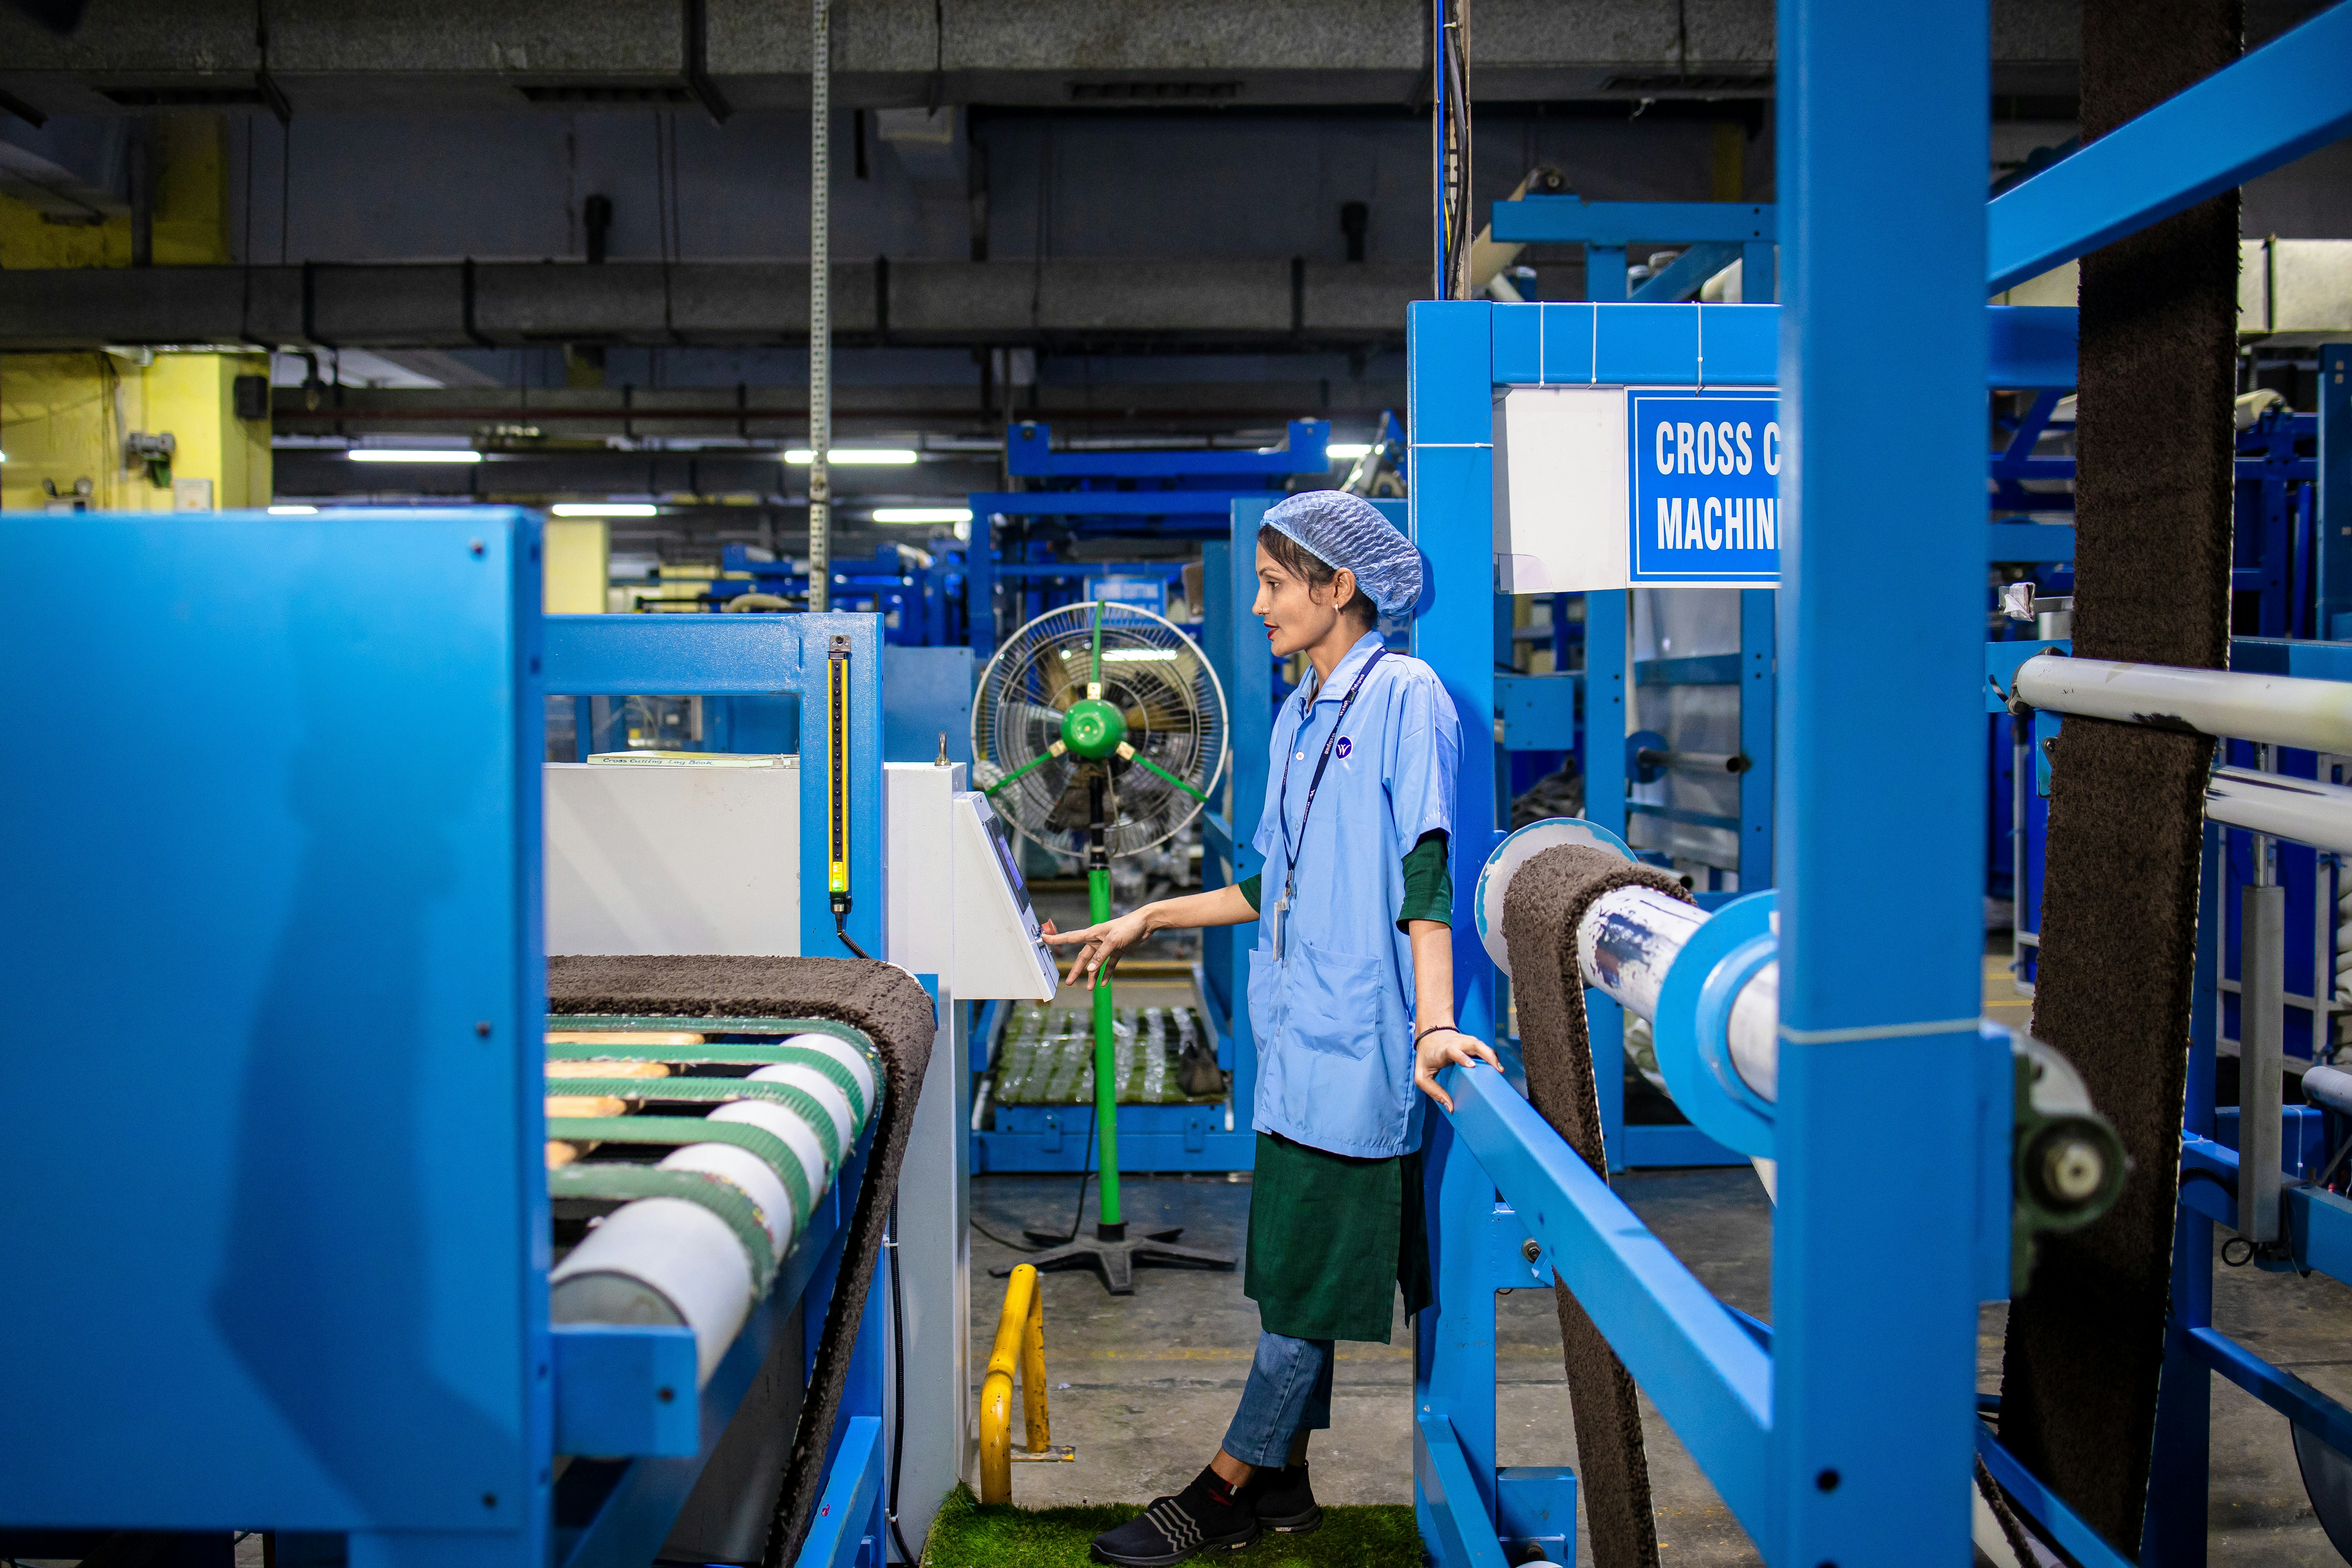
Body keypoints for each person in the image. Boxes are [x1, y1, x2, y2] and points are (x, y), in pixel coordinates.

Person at [1040, 489, 1498, 1566]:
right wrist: (1148, 913)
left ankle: (1224, 1489)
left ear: (1342, 588)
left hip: (1367, 1049)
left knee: (1303, 1289)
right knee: (1285, 1265)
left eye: (1276, 585)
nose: (1256, 607)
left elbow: (1428, 869)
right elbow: (1263, 884)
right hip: (1297, 1048)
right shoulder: (1298, 714)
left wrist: (1434, 1022)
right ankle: (1288, 1488)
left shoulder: (1407, 696)